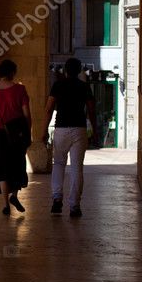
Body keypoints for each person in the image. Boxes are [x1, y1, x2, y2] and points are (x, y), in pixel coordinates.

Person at [44, 58, 97, 218]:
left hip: (60, 129)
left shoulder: (58, 86)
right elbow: (91, 109)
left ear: (65, 71)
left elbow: (48, 108)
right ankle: (74, 206)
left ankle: (57, 199)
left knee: (59, 164)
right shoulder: (84, 86)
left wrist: (43, 130)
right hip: (79, 130)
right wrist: (95, 130)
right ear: (80, 70)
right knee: (76, 168)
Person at [0, 59, 31, 215]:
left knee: (2, 167)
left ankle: (5, 204)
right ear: (12, 72)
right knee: (17, 164)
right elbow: (27, 115)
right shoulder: (20, 90)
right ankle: (14, 196)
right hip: (16, 133)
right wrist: (27, 132)